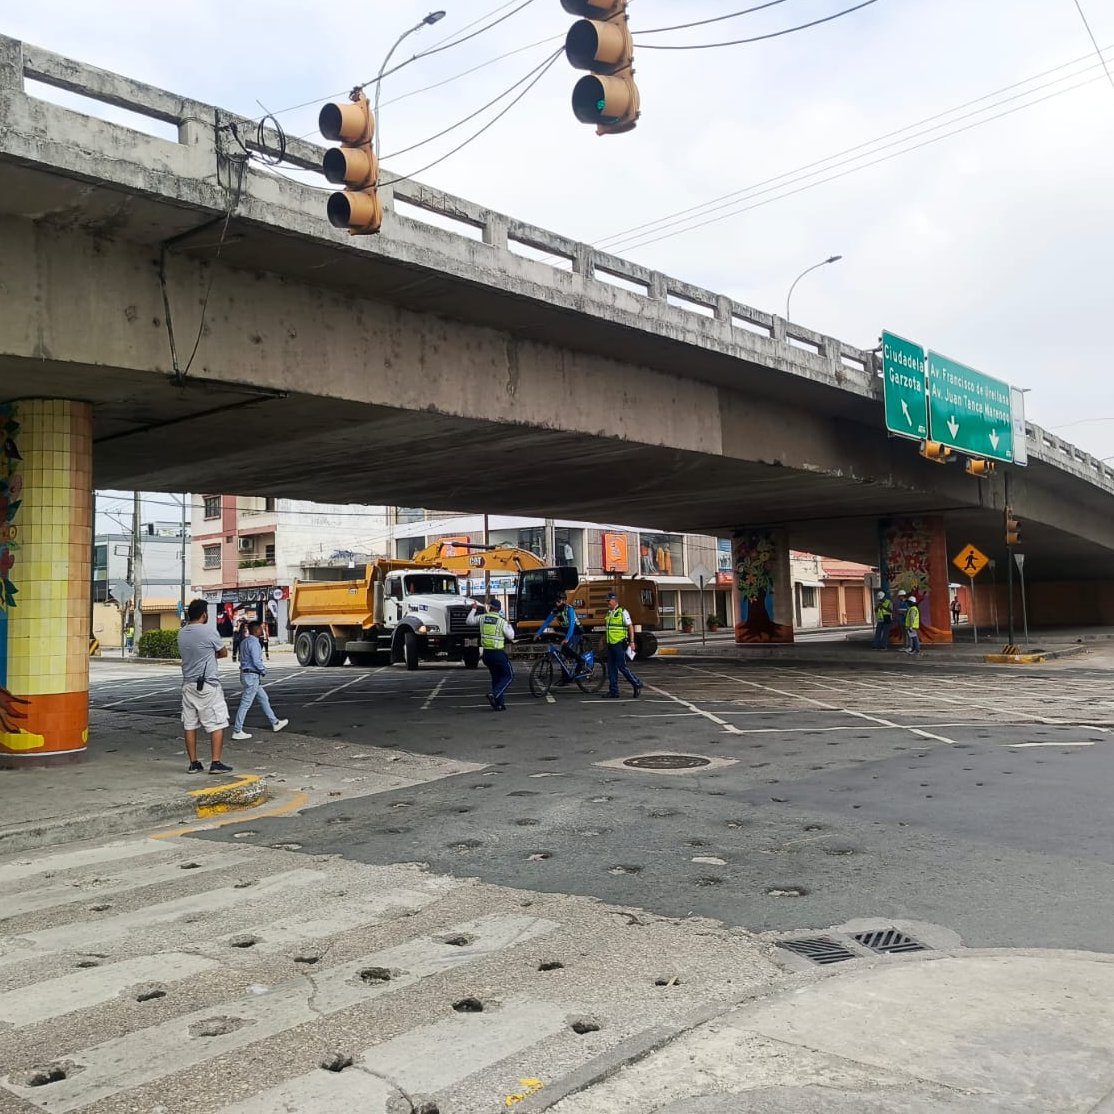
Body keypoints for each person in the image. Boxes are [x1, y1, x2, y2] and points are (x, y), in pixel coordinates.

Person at [178, 598, 233, 774]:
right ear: (204, 614)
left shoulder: (182, 633)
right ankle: (215, 762)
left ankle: (193, 763)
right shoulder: (209, 631)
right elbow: (223, 652)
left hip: (188, 684)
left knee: (190, 724)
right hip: (208, 685)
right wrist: (210, 654)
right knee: (217, 722)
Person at [231, 621, 288, 740]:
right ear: (256, 630)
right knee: (245, 704)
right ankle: (237, 730)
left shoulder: (244, 642)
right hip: (252, 676)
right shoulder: (255, 643)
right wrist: (263, 670)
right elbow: (256, 661)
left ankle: (275, 722)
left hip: (245, 674)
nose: (263, 631)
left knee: (263, 698)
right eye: (261, 629)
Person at [468, 597, 515, 711]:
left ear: (490, 608)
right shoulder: (501, 621)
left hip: (486, 655)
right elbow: (511, 636)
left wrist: (474, 609)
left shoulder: (482, 618)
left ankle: (499, 704)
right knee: (509, 676)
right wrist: (509, 625)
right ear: (499, 609)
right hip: (498, 654)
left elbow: (469, 621)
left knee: (496, 678)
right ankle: (495, 694)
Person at [537, 592, 585, 684]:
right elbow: (547, 622)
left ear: (564, 601)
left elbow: (572, 625)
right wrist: (538, 633)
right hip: (567, 632)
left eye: (558, 601)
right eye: (556, 601)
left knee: (566, 650)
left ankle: (581, 662)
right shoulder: (555, 610)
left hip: (576, 632)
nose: (556, 603)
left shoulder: (569, 609)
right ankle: (565, 678)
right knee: (562, 655)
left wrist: (567, 639)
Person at [603, 591, 642, 699]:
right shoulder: (609, 613)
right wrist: (604, 640)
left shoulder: (623, 612)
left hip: (619, 643)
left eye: (609, 600)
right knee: (611, 668)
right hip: (611, 643)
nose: (607, 603)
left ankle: (637, 684)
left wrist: (632, 641)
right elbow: (608, 628)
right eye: (607, 601)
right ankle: (614, 691)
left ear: (615, 601)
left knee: (622, 667)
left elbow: (630, 626)